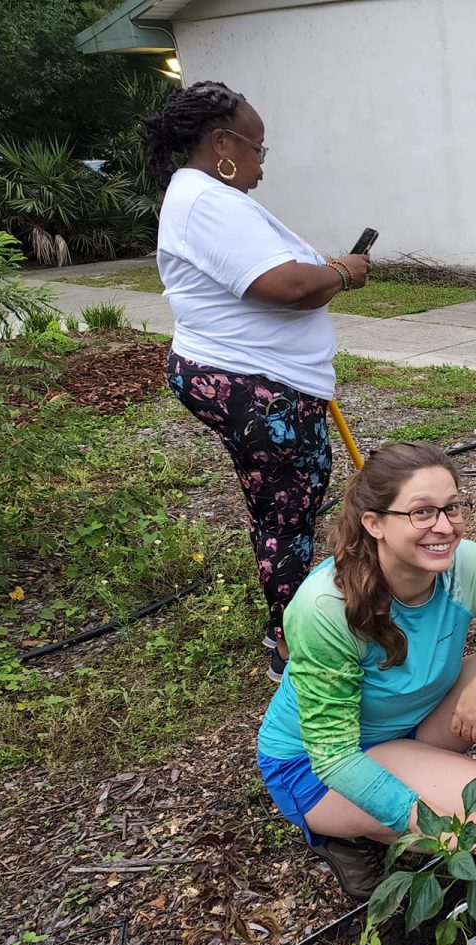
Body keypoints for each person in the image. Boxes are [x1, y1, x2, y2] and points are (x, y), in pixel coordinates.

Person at [256, 442, 476, 900]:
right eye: (421, 512)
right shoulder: (326, 610)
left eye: (451, 508)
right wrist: (431, 822)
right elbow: (333, 755)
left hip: (408, 726)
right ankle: (345, 834)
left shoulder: (466, 567)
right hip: (317, 766)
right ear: (374, 523)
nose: (444, 527)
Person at [144, 80, 372, 682]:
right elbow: (290, 289)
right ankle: (293, 648)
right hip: (253, 383)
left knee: (293, 503)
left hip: (265, 379)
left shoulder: (208, 198)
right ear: (223, 143)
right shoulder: (204, 202)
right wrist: (341, 275)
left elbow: (271, 271)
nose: (261, 166)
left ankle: (302, 626)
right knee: (285, 513)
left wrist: (318, 269)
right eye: (257, 150)